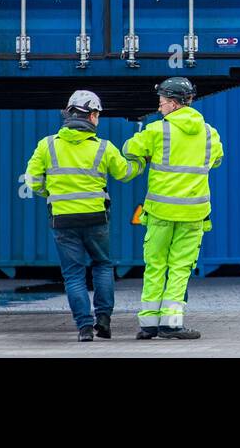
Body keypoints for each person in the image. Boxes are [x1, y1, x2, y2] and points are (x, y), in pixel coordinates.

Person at [24, 89, 144, 342]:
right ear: (90, 115)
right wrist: (141, 161)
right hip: (96, 218)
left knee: (73, 274)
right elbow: (125, 173)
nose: (98, 118)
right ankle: (104, 320)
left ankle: (84, 328)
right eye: (97, 114)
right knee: (102, 266)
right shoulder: (104, 147)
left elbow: (33, 181)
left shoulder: (47, 145)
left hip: (63, 220)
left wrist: (53, 193)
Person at [121, 77, 223, 340]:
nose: (159, 107)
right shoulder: (209, 133)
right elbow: (218, 159)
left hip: (160, 213)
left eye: (162, 102)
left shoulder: (157, 131)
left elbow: (129, 149)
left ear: (175, 103)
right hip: (193, 214)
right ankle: (172, 324)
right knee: (180, 268)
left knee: (155, 265)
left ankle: (148, 325)